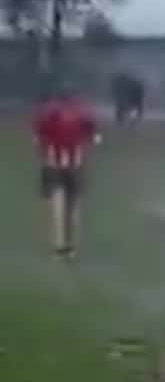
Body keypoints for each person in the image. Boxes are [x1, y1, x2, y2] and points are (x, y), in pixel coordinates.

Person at [32, 85, 99, 257]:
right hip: (75, 165)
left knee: (57, 207)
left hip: (53, 165)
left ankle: (59, 247)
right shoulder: (84, 112)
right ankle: (72, 248)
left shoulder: (47, 112)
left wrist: (46, 151)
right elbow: (96, 138)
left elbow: (37, 138)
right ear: (74, 97)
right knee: (74, 208)